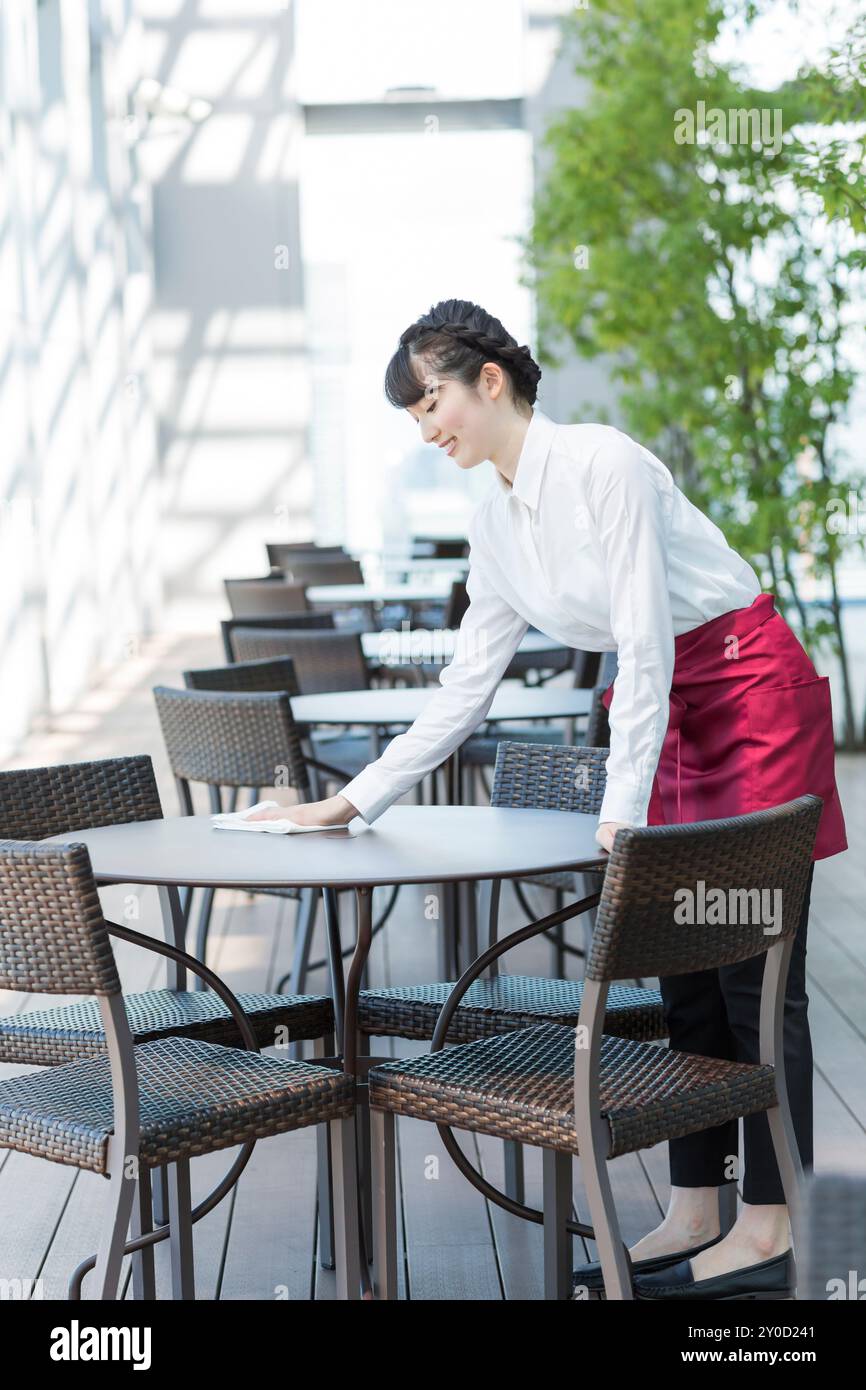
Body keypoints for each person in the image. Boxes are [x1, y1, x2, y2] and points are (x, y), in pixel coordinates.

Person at [248, 297, 847, 1300]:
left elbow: (647, 641)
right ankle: (695, 1207)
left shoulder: (603, 463)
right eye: (411, 413)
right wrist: (351, 802)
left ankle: (772, 1226)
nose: (425, 425)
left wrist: (619, 812)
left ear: (489, 379)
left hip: (741, 686)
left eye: (430, 399)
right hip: (660, 705)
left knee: (750, 960)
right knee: (683, 971)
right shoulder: (494, 519)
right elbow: (464, 686)